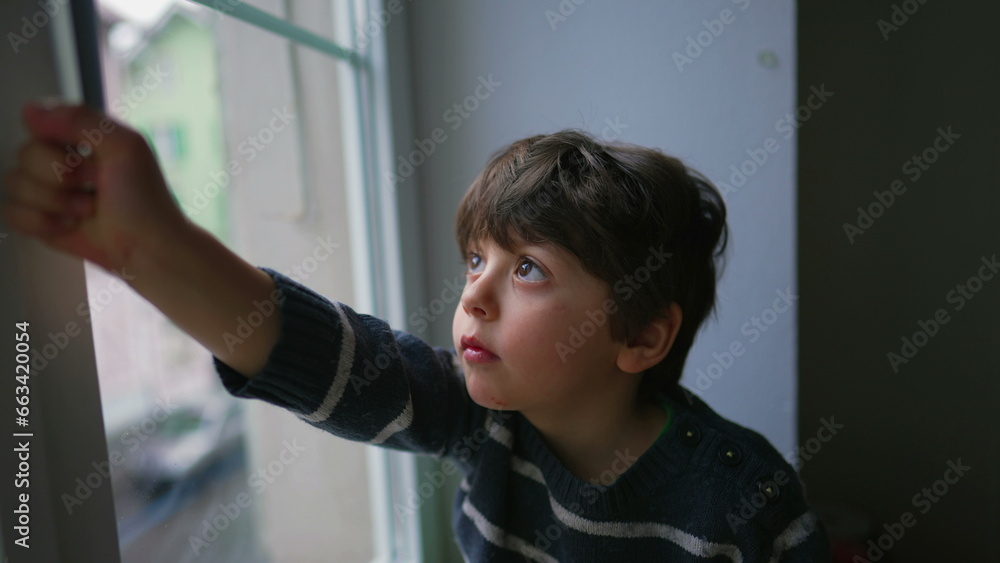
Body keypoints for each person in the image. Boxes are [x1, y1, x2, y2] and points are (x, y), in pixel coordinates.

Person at [2, 101, 830, 561]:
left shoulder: (743, 498)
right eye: (476, 260)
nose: (475, 296)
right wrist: (150, 250)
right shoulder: (484, 422)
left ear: (643, 337)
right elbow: (327, 354)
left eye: (529, 269)